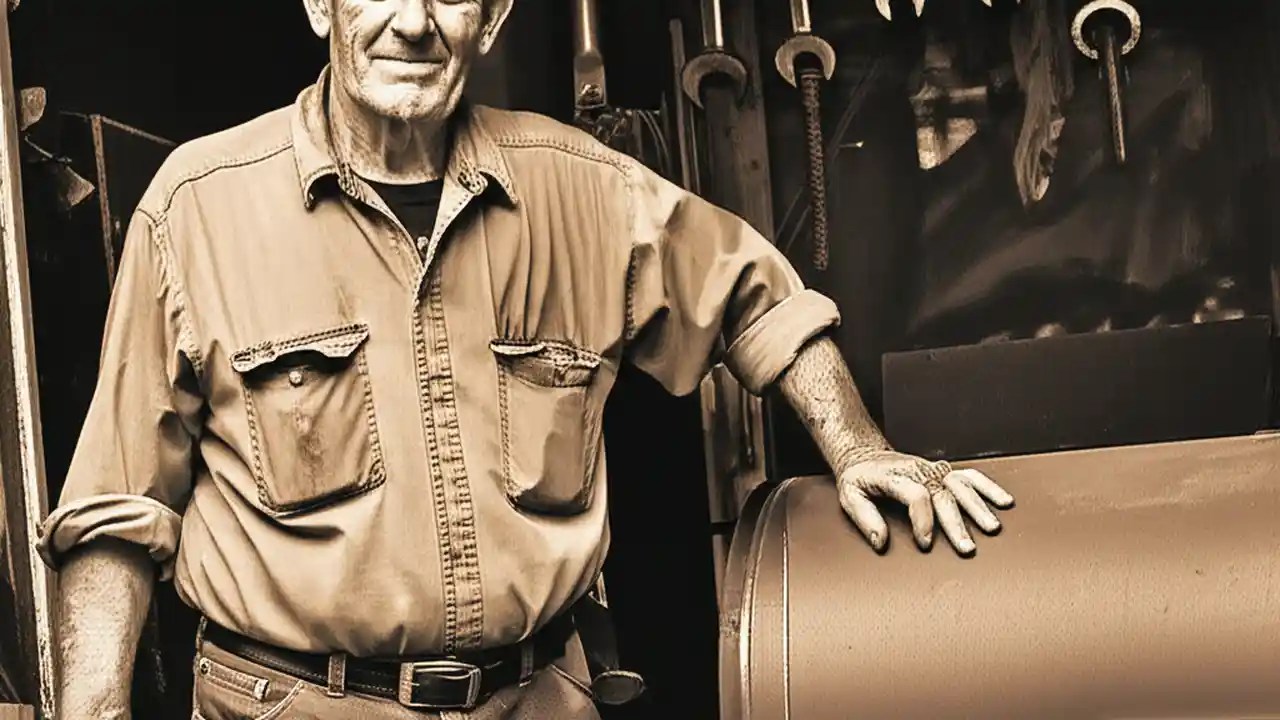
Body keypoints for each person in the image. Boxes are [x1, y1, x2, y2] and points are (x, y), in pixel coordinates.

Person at [35, 1, 1015, 718]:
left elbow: (759, 299)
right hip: (291, 705)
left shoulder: (580, 189)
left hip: (538, 698)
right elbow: (118, 508)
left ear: (493, 19)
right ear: (319, 5)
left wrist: (860, 450)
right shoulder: (198, 208)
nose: (411, 23)